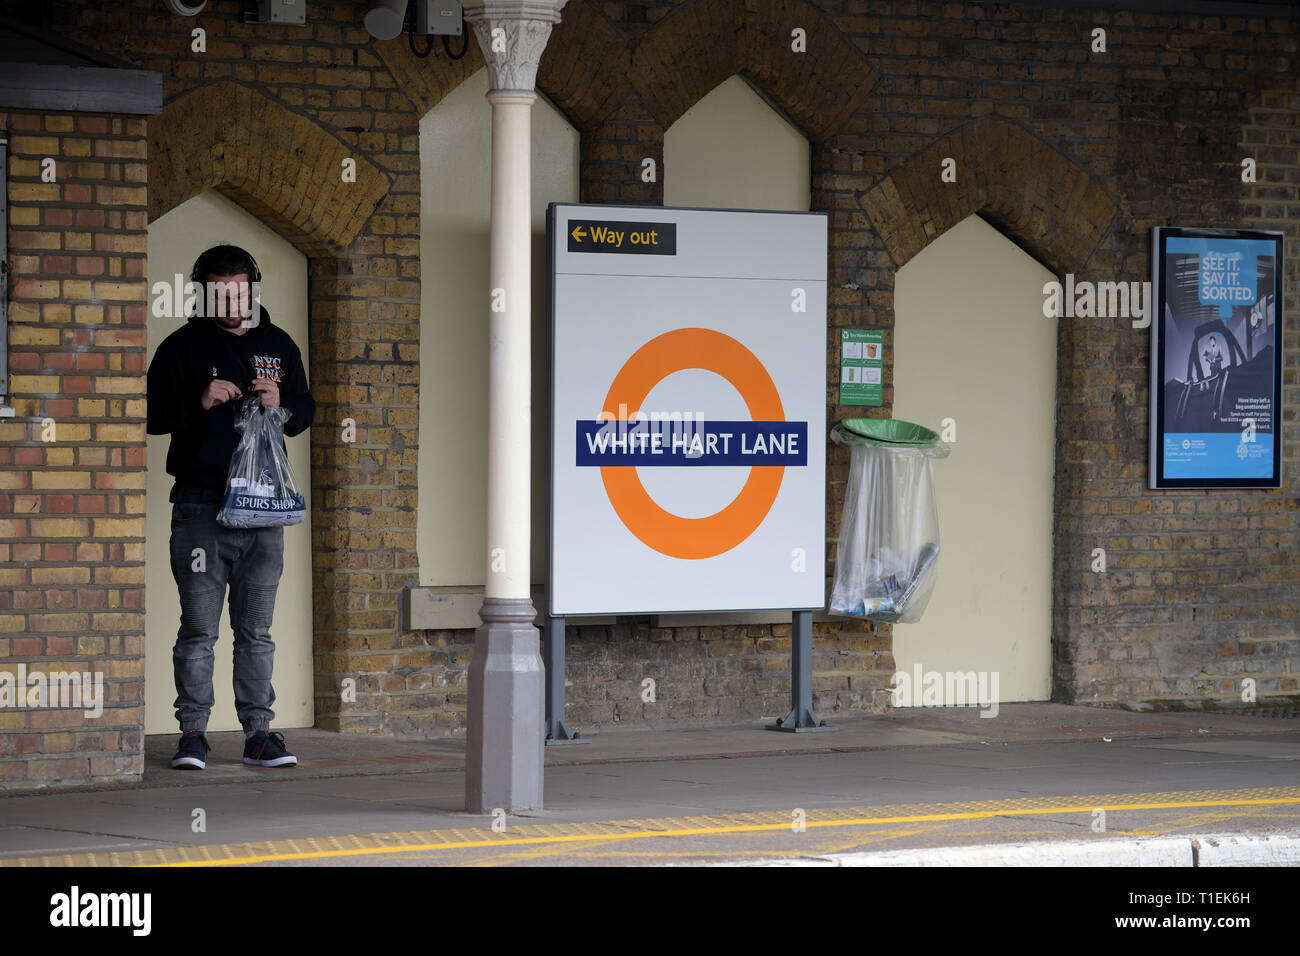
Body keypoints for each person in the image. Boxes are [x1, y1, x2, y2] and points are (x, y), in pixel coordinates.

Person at [146, 245, 315, 770]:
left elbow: (305, 412)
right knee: (198, 628)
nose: (229, 299)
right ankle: (192, 736)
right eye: (218, 290)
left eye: (238, 289)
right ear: (202, 291)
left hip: (263, 508)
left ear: (252, 288)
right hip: (200, 505)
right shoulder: (181, 346)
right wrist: (199, 401)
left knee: (256, 630)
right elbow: (149, 417)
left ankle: (259, 736)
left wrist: (279, 405)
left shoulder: (279, 343)